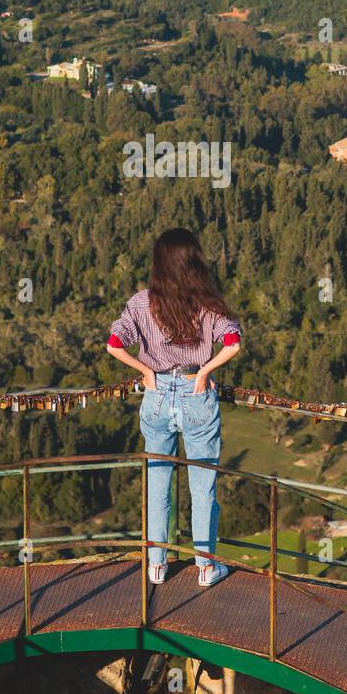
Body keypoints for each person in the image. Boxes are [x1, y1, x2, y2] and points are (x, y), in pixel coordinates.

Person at [106, 228, 242, 587]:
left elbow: (113, 343)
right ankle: (206, 567)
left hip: (157, 396)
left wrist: (145, 370)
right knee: (203, 488)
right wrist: (207, 371)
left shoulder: (141, 303)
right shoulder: (207, 303)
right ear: (194, 262)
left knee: (157, 484)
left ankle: (156, 565)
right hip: (196, 392)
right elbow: (232, 342)